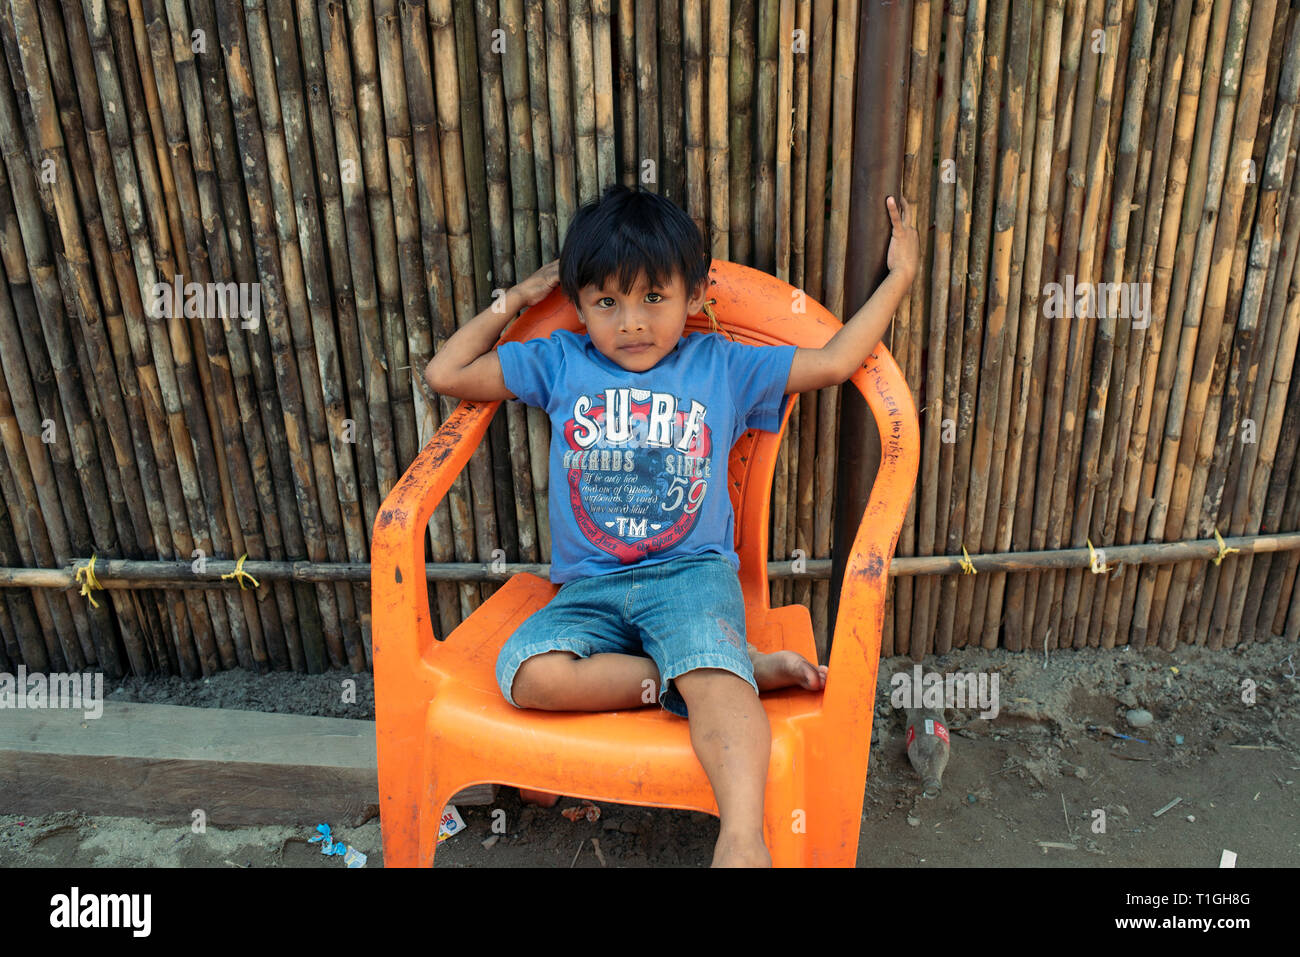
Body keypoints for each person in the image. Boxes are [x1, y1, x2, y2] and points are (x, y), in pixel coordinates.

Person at [425, 183, 918, 866]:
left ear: (693, 296)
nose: (631, 321)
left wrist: (901, 277)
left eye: (653, 298)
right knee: (527, 673)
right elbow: (445, 371)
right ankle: (715, 667)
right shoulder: (559, 360)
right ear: (578, 304)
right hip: (589, 589)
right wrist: (522, 294)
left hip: (691, 577)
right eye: (606, 301)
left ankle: (742, 836)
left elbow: (835, 361)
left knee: (713, 681)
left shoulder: (721, 364)